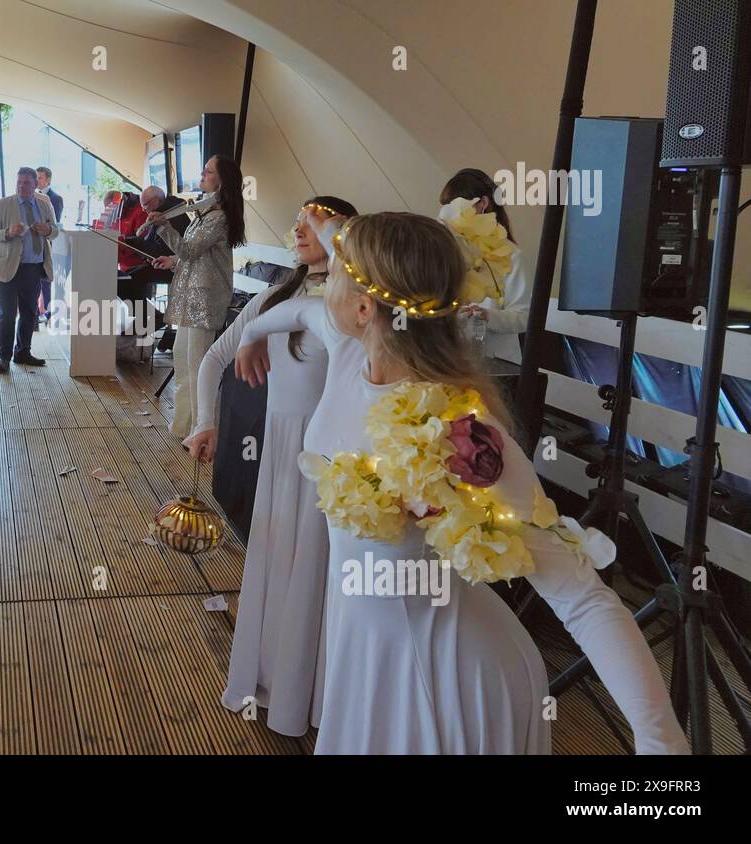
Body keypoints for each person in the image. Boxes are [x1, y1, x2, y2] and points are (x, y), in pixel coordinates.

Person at [234, 211, 689, 754]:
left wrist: (661, 745)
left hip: (445, 683)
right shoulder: (349, 350)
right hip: (364, 662)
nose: (324, 278)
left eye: (334, 272)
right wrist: (249, 337)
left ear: (363, 307)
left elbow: (581, 597)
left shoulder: (462, 434)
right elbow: (297, 305)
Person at [184, 197, 357, 737]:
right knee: (279, 561)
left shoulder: (355, 305)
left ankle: (324, 696)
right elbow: (214, 358)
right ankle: (278, 683)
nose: (301, 229)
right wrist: (206, 421)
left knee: (323, 572)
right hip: (283, 450)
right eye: (299, 220)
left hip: (335, 453)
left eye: (318, 222)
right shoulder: (273, 297)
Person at [146, 155, 245, 437]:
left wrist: (162, 226)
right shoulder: (206, 213)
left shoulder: (219, 216)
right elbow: (195, 259)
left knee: (199, 367)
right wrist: (171, 262)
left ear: (221, 181)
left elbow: (189, 251)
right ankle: (184, 425)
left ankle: (202, 429)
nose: (202, 175)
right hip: (191, 298)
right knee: (183, 361)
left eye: (208, 171)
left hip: (206, 301)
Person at [439, 168, 531, 364]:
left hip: (498, 363)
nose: (450, 215)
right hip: (454, 360)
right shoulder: (446, 252)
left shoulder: (511, 255)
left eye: (456, 206)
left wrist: (488, 316)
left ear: (482, 204)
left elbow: (523, 318)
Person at [0, 167, 58, 373]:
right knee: (7, 315)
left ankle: (23, 351)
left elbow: (55, 230)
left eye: (26, 182)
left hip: (33, 268)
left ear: (36, 184)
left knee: (29, 313)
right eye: (19, 182)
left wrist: (49, 230)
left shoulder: (44, 205)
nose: (22, 186)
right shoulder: (4, 204)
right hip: (7, 268)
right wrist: (7, 232)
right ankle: (3, 358)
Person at [35, 166, 65, 317]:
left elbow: (55, 223)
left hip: (48, 245)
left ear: (48, 180)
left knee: (45, 280)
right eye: (36, 177)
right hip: (33, 246)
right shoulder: (31, 197)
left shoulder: (55, 198)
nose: (37, 180)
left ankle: (47, 311)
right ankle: (37, 312)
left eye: (40, 177)